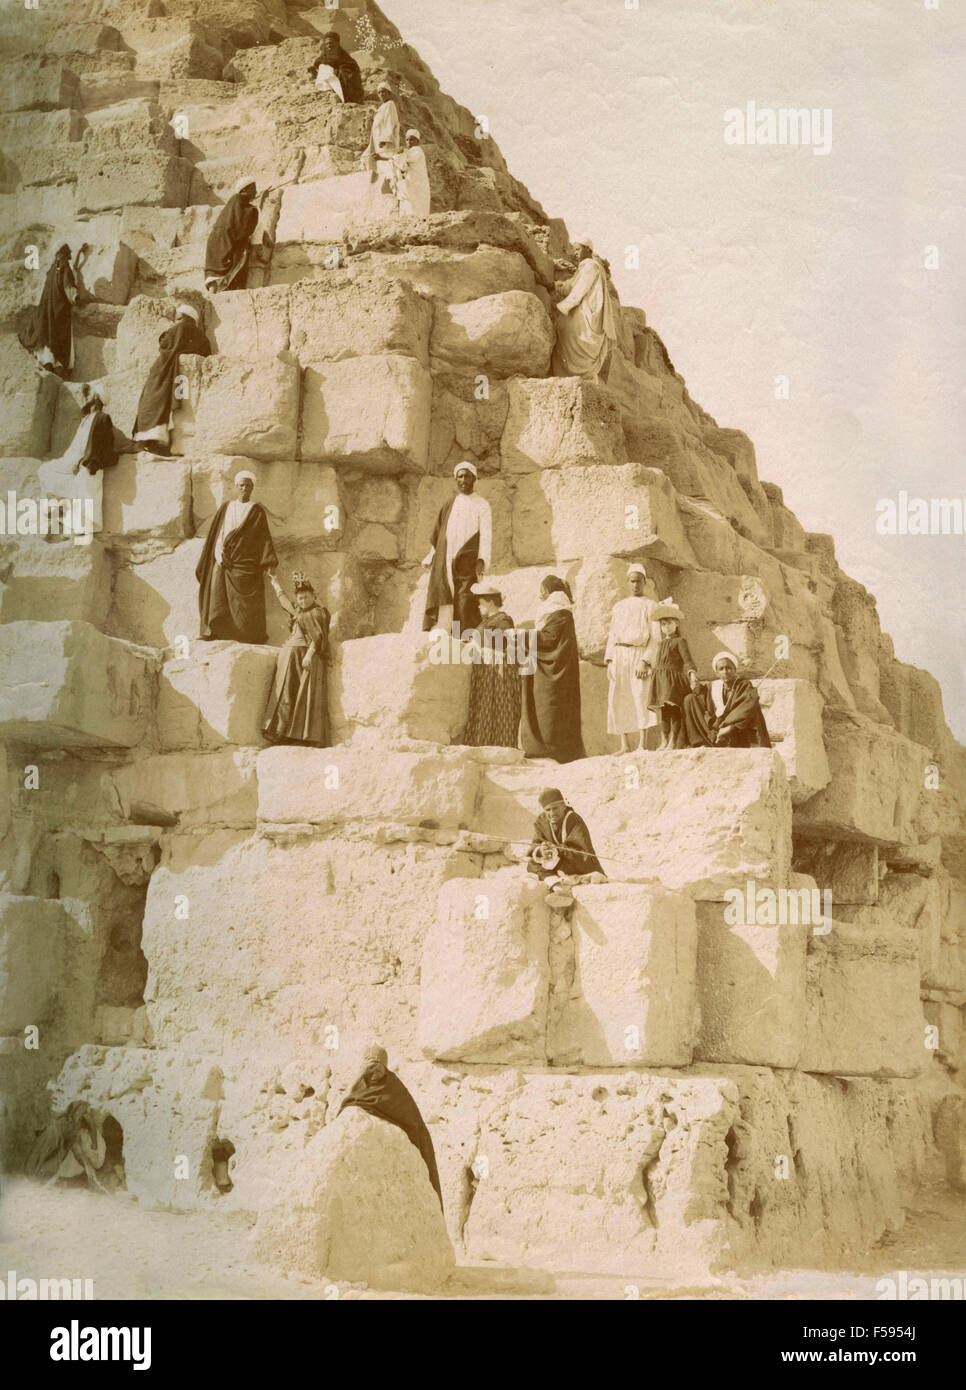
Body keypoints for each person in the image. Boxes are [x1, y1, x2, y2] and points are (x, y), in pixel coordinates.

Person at [338, 1045, 443, 1209]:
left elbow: (411, 1120)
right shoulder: (364, 1087)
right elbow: (352, 1101)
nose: (374, 1073)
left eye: (378, 1068)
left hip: (417, 1144)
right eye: (370, 1067)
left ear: (385, 1068)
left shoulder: (392, 1087)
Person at [196, 470, 278, 643]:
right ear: (236, 486)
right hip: (224, 560)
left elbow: (263, 539)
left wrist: (269, 561)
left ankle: (247, 636)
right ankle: (214, 631)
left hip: (245, 564)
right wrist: (219, 555)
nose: (244, 488)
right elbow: (219, 533)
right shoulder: (226, 507)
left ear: (252, 488)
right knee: (217, 594)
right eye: (241, 485)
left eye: (248, 485)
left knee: (245, 604)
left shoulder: (256, 511)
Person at [521, 575, 586, 763]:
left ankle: (551, 749)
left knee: (550, 708)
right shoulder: (558, 612)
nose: (539, 594)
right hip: (555, 669)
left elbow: (548, 639)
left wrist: (521, 636)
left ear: (548, 591)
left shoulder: (560, 613)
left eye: (542, 590)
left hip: (555, 672)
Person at [422, 462, 492, 635]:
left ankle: (464, 634)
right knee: (444, 592)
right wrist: (431, 555)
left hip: (468, 557)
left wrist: (482, 560)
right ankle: (444, 630)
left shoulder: (482, 505)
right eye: (459, 476)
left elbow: (486, 536)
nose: (463, 480)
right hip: (446, 557)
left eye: (466, 476)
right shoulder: (449, 504)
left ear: (474, 478)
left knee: (464, 597)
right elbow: (438, 534)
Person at [262, 570, 331, 747]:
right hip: (289, 656)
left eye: (306, 597)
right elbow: (284, 601)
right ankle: (281, 733)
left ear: (314, 596)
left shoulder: (318, 612)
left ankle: (303, 736)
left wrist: (309, 654)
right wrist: (275, 582)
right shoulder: (298, 611)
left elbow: (319, 637)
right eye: (300, 598)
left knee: (303, 695)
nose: (303, 601)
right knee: (286, 693)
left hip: (304, 656)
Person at [37, 386, 118, 535]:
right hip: (71, 461)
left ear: (95, 398)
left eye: (89, 394)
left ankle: (73, 523)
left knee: (83, 481)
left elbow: (105, 446)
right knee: (45, 470)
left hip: (87, 463)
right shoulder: (85, 418)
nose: (86, 397)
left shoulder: (102, 418)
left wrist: (85, 461)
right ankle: (56, 509)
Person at [132, 304, 210, 456]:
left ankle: (150, 440)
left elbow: (165, 342)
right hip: (168, 369)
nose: (176, 321)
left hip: (162, 370)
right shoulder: (201, 336)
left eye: (179, 318)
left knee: (154, 399)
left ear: (186, 317)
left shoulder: (182, 327)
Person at [605, 563, 662, 753]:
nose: (635, 584)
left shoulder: (650, 606)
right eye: (632, 581)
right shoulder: (619, 607)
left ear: (644, 582)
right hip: (620, 655)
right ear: (627, 583)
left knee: (640, 696)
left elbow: (656, 638)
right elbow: (612, 634)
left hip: (639, 654)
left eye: (639, 581)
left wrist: (646, 661)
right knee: (619, 697)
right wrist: (610, 660)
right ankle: (624, 744)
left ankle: (642, 744)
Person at [462, 583, 522, 748]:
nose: (479, 606)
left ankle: (502, 745)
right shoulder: (486, 622)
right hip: (486, 667)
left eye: (481, 602)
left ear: (489, 602)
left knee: (500, 707)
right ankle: (482, 743)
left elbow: (510, 640)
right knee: (485, 706)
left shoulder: (503, 619)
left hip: (499, 668)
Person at [551, 237, 618, 380]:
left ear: (588, 250)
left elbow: (579, 290)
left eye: (578, 249)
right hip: (586, 313)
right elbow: (572, 285)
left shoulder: (590, 266)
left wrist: (563, 306)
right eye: (574, 250)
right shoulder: (585, 268)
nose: (575, 253)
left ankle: (570, 373)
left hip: (587, 315)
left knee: (565, 328)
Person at [683, 652, 772, 748]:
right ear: (717, 673)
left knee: (752, 706)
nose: (725, 671)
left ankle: (728, 733)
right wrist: (697, 687)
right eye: (721, 669)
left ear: (735, 669)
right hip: (717, 730)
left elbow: (747, 706)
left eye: (729, 668)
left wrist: (729, 727)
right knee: (689, 699)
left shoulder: (744, 685)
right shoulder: (713, 687)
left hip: (737, 730)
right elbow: (701, 698)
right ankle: (701, 742)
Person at [19, 243, 77, 374]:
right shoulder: (65, 268)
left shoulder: (52, 270)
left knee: (46, 336)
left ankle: (49, 365)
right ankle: (56, 367)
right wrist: (76, 297)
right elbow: (69, 287)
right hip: (59, 311)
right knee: (58, 338)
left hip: (47, 308)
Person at [646, 603, 698, 749]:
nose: (666, 627)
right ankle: (664, 739)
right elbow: (659, 661)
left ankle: (673, 740)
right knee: (664, 711)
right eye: (663, 624)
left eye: (669, 623)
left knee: (673, 710)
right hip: (661, 679)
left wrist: (692, 675)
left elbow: (687, 661)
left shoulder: (680, 641)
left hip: (673, 680)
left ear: (676, 624)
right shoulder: (661, 643)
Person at [526, 788, 604, 883]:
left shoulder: (574, 819)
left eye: (555, 808)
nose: (552, 813)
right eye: (548, 810)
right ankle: (554, 879)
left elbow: (582, 853)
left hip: (574, 861)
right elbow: (535, 846)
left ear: (563, 806)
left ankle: (555, 878)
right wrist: (542, 850)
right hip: (555, 861)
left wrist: (556, 849)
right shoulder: (541, 821)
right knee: (532, 864)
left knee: (565, 866)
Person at [204, 177, 259, 293]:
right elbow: (246, 226)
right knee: (228, 268)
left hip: (217, 242)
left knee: (214, 274)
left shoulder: (234, 202)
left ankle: (212, 295)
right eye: (253, 189)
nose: (256, 192)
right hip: (225, 243)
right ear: (244, 190)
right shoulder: (241, 203)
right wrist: (261, 204)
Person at [361, 81, 402, 189]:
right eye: (379, 92)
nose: (382, 94)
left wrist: (385, 138)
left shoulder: (390, 104)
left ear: (389, 94)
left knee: (387, 163)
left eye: (384, 92)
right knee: (373, 160)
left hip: (385, 142)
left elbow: (390, 121)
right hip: (378, 140)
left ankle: (390, 187)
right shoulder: (383, 106)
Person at [308, 31, 364, 103]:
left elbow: (349, 65)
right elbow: (318, 62)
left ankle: (348, 97)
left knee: (342, 72)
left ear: (337, 43)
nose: (329, 45)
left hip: (348, 82)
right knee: (323, 67)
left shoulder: (343, 55)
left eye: (331, 43)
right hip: (335, 80)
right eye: (327, 43)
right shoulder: (325, 54)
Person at [393, 128, 431, 217]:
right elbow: (402, 165)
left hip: (419, 183)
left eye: (412, 139)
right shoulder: (408, 152)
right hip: (411, 183)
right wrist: (399, 154)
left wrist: (399, 154)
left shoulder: (417, 150)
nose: (409, 142)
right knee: (409, 204)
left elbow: (406, 159)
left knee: (417, 207)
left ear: (417, 141)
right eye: (407, 140)